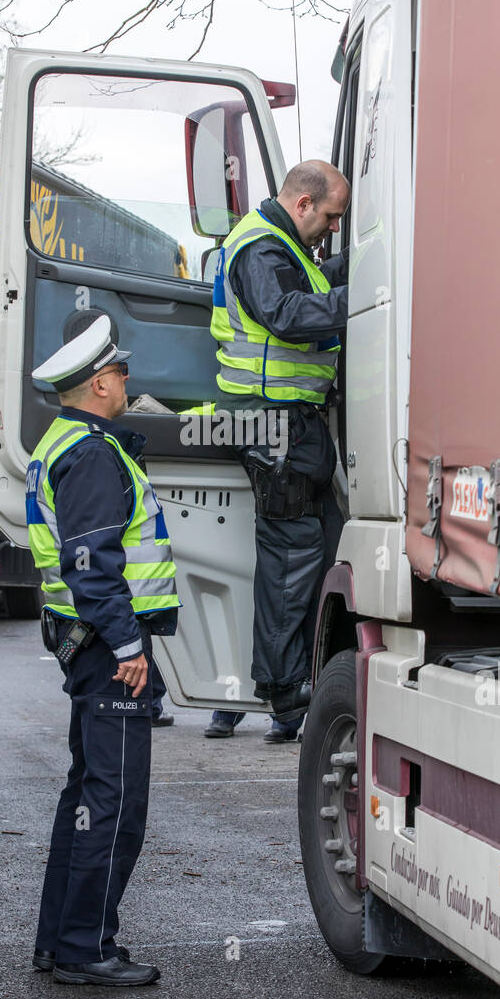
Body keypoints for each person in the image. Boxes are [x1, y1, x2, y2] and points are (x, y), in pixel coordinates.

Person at [25, 314, 179, 987]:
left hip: (81, 641)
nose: (125, 378)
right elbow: (91, 563)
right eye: (118, 371)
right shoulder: (90, 453)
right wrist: (127, 643)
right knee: (115, 802)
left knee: (86, 794)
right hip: (106, 646)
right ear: (98, 384)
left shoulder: (65, 441)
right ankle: (86, 948)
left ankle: (60, 941)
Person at [209, 160, 349, 733]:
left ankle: (298, 682)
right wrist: (371, 300)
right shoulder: (262, 250)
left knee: (317, 546)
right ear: (303, 204)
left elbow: (308, 288)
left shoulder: (279, 245)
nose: (332, 229)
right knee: (292, 557)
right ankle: (285, 692)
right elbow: (285, 314)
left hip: (288, 423)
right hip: (272, 422)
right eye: (332, 217)